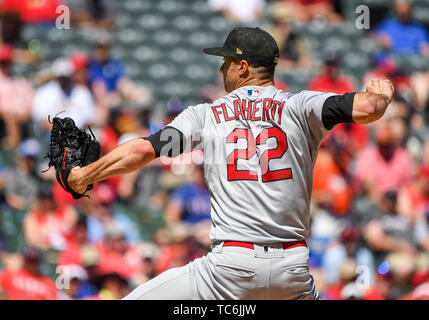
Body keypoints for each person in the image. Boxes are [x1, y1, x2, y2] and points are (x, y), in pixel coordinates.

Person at [65, 27, 394, 300]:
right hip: (292, 271)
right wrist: (383, 92)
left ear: (243, 67)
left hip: (229, 271)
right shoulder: (301, 106)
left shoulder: (206, 115)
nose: (221, 68)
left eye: (226, 61)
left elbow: (143, 151)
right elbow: (369, 109)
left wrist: (84, 175)